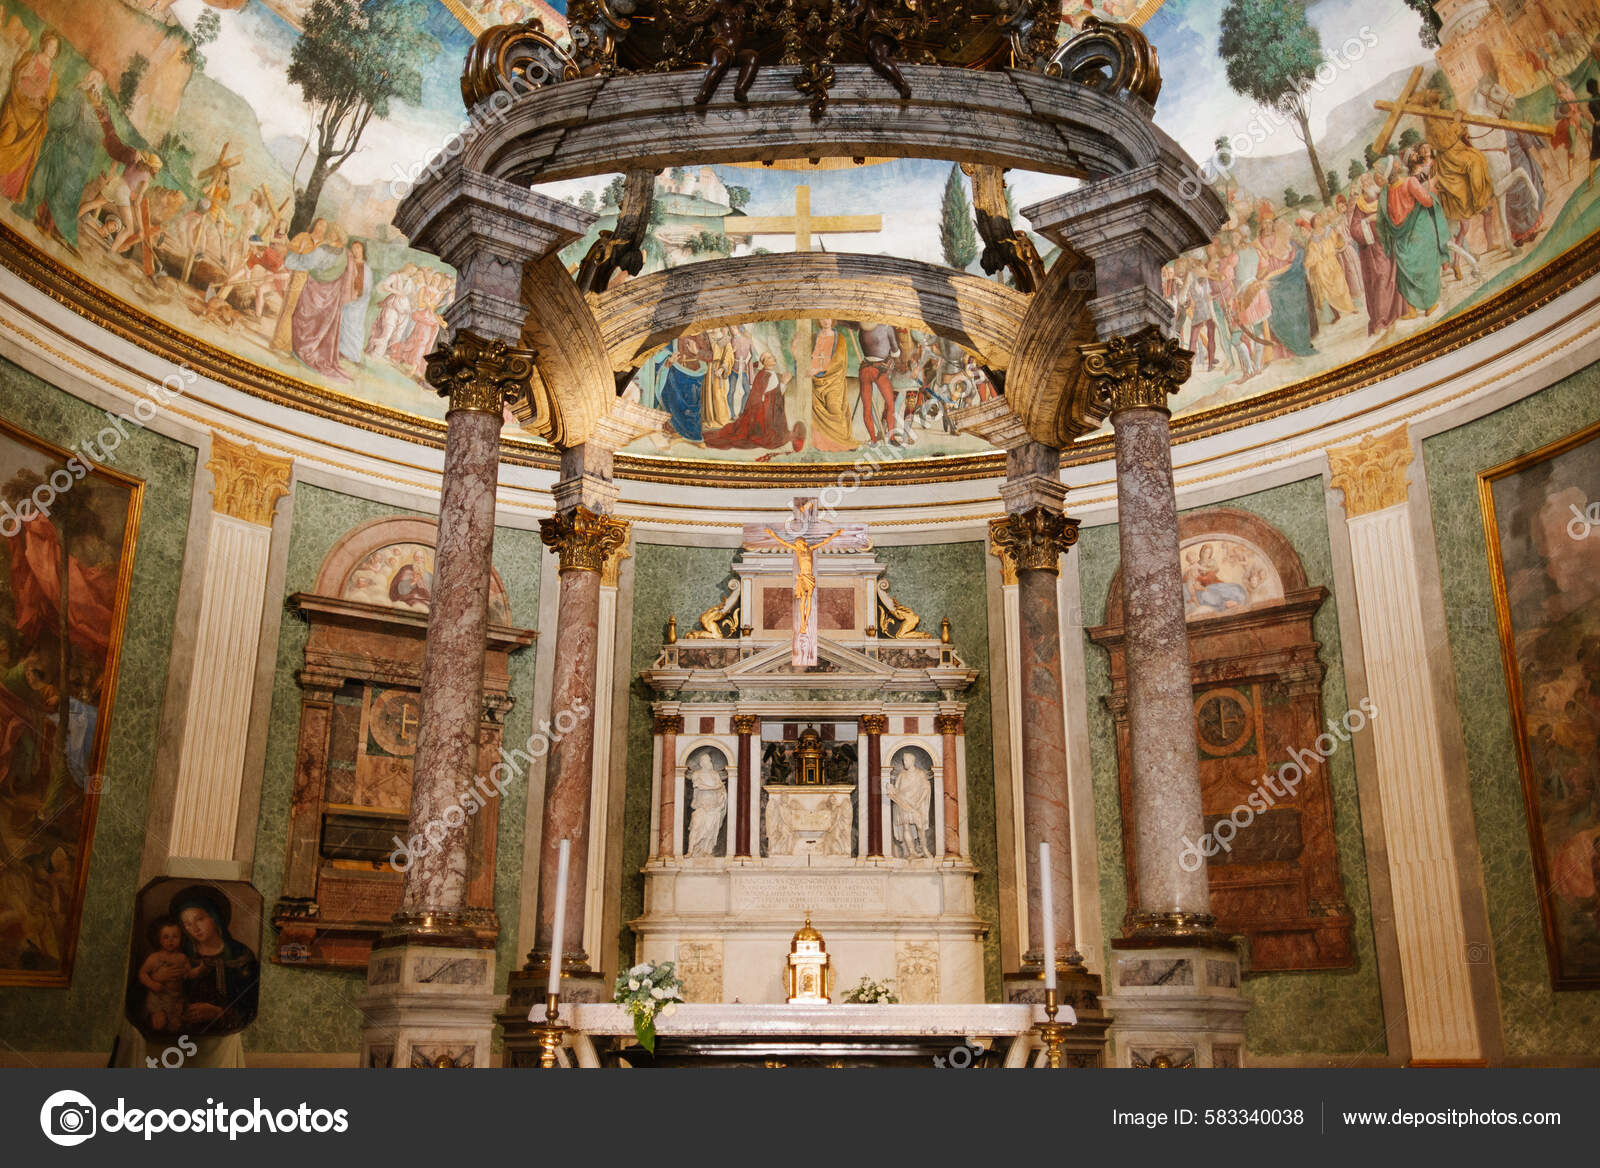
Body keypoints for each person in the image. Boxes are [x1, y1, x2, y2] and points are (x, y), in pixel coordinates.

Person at [171, 886, 259, 1035]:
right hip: (186, 1035)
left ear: (214, 917)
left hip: (228, 1036)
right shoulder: (181, 955)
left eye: (200, 919)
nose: (195, 928)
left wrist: (218, 1012)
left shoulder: (241, 955)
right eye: (187, 924)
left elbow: (251, 1006)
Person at [1379, 149, 1453, 319]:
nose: (1399, 162)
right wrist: (1432, 194)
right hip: (1419, 232)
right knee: (1426, 266)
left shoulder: (1387, 192)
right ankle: (1430, 305)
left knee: (1406, 273)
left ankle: (1411, 309)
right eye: (1395, 162)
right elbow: (1427, 201)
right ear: (1395, 168)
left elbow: (1389, 217)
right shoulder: (1410, 182)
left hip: (1401, 238)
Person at [703, 351, 803, 453]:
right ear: (765, 362)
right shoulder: (764, 375)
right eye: (769, 358)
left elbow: (775, 395)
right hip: (764, 416)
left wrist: (782, 384)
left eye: (772, 356)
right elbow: (767, 397)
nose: (773, 358)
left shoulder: (772, 374)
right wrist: (783, 383)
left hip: (770, 412)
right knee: (770, 438)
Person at [0, 30, 57, 206]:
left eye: (55, 48)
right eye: (50, 45)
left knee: (25, 153)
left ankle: (8, 189)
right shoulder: (30, 57)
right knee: (5, 139)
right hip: (16, 104)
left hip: (34, 116)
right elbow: (16, 74)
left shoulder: (53, 74)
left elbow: (49, 98)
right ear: (44, 44)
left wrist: (42, 102)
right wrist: (24, 80)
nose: (52, 50)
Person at [1349, 169, 1405, 336]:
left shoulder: (1382, 195)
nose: (1367, 182)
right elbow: (1354, 229)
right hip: (1373, 251)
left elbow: (1395, 211)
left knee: (1395, 276)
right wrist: (1367, 221)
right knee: (1381, 279)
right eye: (1363, 181)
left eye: (1368, 179)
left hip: (1390, 242)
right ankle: (1380, 320)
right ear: (1361, 186)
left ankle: (1398, 311)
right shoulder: (1360, 205)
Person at [138, 917, 201, 1034]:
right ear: (159, 939)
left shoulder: (182, 958)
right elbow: (142, 973)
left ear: (181, 938)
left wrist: (200, 969)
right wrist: (152, 984)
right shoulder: (155, 957)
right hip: (158, 997)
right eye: (166, 937)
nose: (171, 941)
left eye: (175, 937)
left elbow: (190, 974)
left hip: (176, 997)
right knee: (159, 1024)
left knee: (176, 1026)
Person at [809, 319, 857, 451]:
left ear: (833, 320)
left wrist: (819, 369)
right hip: (816, 380)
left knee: (834, 409)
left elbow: (839, 361)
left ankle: (843, 442)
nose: (826, 321)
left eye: (828, 318)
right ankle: (823, 444)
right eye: (822, 318)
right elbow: (810, 356)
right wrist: (812, 369)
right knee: (815, 410)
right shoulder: (814, 337)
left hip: (834, 380)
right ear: (818, 320)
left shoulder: (840, 339)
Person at [660, 332, 713, 442]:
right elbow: (660, 354)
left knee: (692, 407)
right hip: (676, 374)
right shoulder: (675, 332)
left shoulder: (700, 333)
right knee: (673, 401)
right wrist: (669, 361)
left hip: (695, 376)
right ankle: (677, 429)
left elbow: (710, 355)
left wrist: (697, 351)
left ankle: (692, 434)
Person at [886, 751, 931, 858]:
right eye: (903, 760)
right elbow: (896, 790)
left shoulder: (920, 773)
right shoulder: (901, 774)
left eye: (905, 760)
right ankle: (912, 852)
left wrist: (919, 803)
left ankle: (924, 849)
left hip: (916, 804)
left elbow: (926, 788)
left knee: (919, 826)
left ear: (912, 761)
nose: (904, 762)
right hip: (903, 803)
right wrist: (890, 789)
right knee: (905, 827)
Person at [686, 754, 727, 856]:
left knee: (710, 831)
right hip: (701, 806)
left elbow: (721, 788)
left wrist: (721, 794)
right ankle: (690, 851)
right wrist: (715, 787)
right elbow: (699, 786)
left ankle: (706, 851)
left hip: (714, 807)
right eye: (707, 760)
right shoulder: (697, 774)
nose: (709, 763)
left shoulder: (715, 775)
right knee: (695, 827)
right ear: (702, 763)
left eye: (709, 760)